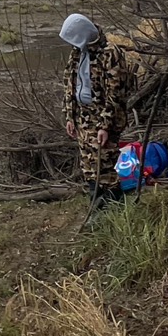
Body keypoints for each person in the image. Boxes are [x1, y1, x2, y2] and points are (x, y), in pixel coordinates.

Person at [60, 13, 136, 201]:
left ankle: (113, 206)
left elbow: (116, 93)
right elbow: (70, 83)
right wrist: (70, 116)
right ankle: (97, 204)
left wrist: (105, 126)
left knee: (105, 164)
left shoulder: (110, 53)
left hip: (103, 117)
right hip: (82, 117)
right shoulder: (77, 52)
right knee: (89, 165)